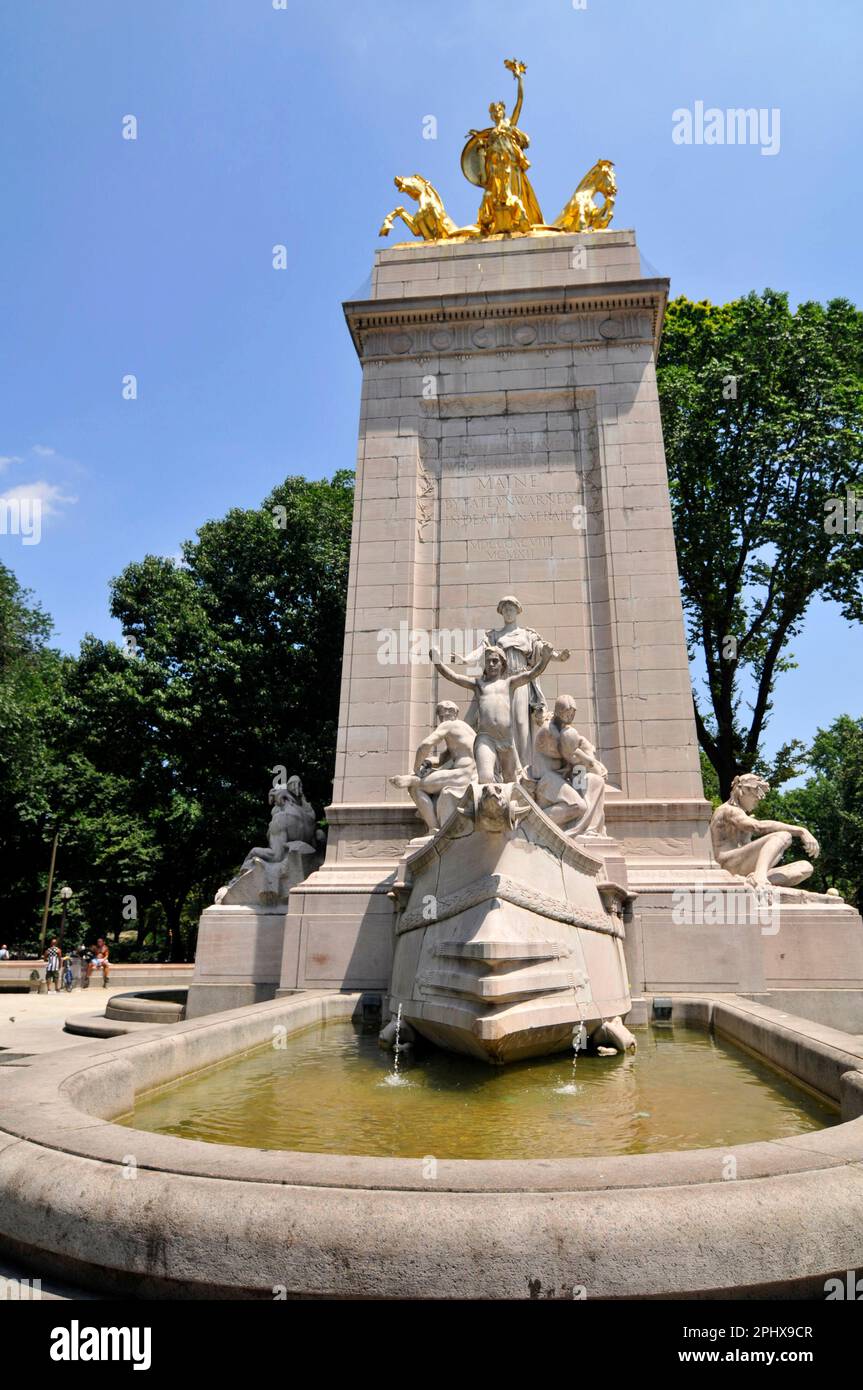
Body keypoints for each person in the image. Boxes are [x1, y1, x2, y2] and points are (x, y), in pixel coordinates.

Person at [432, 642, 554, 783]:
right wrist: (437, 662)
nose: (491, 664)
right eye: (488, 661)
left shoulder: (509, 683)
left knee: (511, 781)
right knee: (485, 777)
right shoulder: (478, 685)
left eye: (495, 661)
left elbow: (532, 674)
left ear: (502, 664)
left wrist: (545, 658)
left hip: (506, 740)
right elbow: (454, 677)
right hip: (486, 738)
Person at [389, 700, 477, 831]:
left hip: (463, 774)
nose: (445, 714)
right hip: (470, 773)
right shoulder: (466, 729)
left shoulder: (448, 725)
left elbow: (425, 745)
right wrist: (428, 762)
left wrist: (416, 768)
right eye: (443, 711)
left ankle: (434, 829)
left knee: (415, 787)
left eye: (446, 711)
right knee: (418, 783)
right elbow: (443, 758)